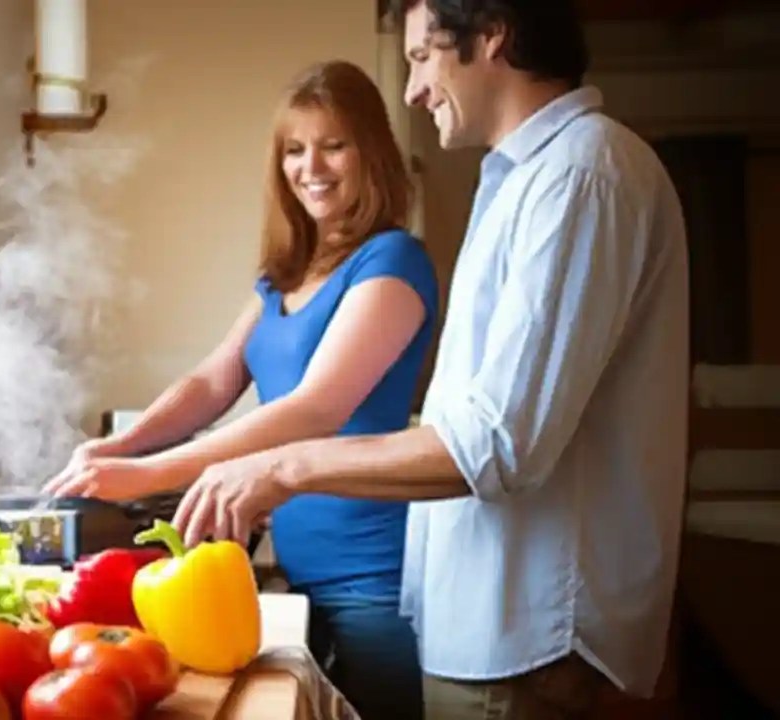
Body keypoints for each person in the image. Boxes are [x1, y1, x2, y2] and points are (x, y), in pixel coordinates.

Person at [168, 1, 690, 719]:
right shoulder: (521, 179)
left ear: (493, 37)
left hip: (529, 636)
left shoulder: (580, 175)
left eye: (421, 57)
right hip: (488, 626)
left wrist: (282, 467)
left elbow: (498, 445)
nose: (413, 90)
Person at [43, 60, 439, 720]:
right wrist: (118, 445)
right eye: (294, 149)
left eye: (333, 144)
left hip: (376, 581)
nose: (311, 166)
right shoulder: (283, 276)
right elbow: (212, 380)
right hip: (300, 573)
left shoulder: (392, 259)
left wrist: (146, 475)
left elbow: (318, 407)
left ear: (371, 152)